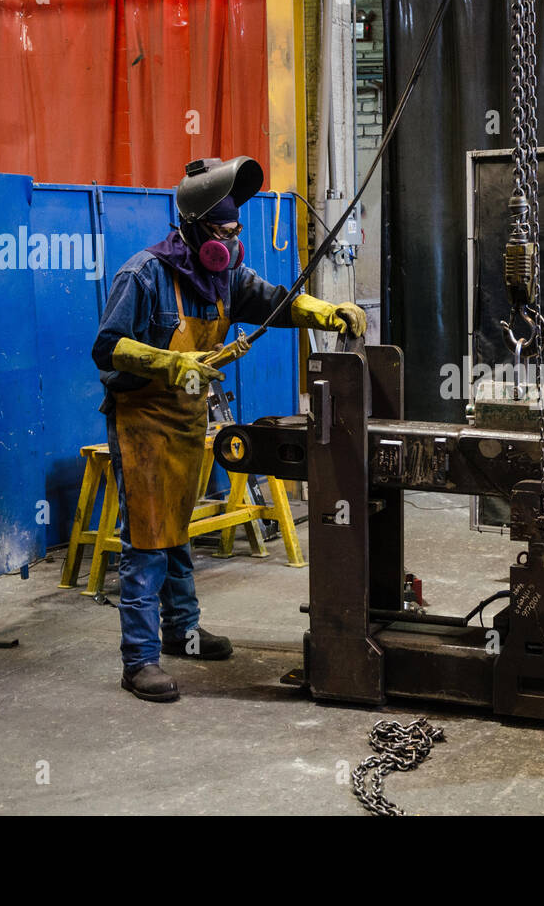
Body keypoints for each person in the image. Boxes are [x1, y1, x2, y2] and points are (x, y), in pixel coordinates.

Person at [92, 155, 366, 702]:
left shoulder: (224, 274)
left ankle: (183, 633)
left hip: (188, 420)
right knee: (147, 539)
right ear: (195, 231)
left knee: (175, 529)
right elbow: (107, 346)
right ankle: (139, 660)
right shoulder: (142, 274)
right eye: (225, 232)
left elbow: (276, 303)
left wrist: (326, 309)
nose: (233, 242)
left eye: (238, 230)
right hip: (144, 422)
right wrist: (174, 364)